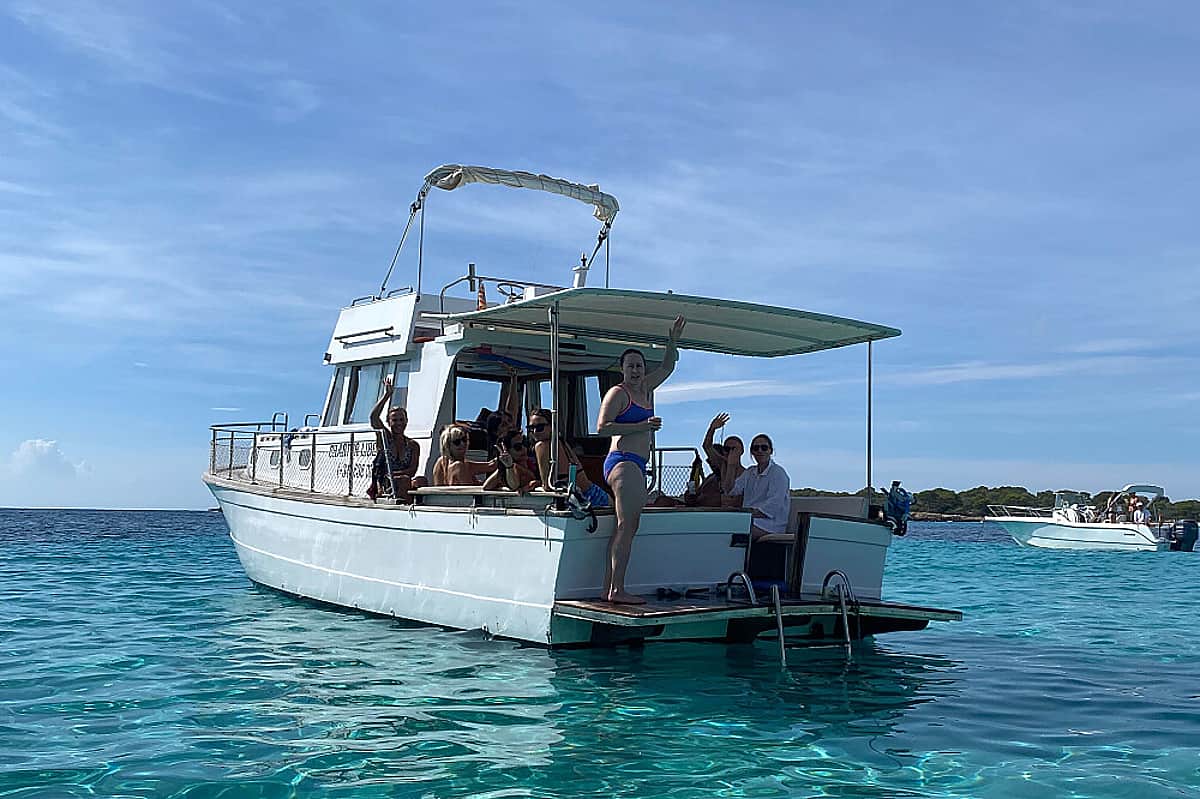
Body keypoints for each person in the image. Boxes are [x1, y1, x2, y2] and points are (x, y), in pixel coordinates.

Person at [596, 315, 686, 604]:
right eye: (630, 365)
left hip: (635, 464)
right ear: (621, 369)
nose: (635, 369)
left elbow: (668, 365)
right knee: (628, 526)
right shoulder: (618, 393)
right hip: (622, 462)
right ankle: (617, 590)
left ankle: (609, 588)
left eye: (638, 365)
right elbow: (602, 427)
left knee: (625, 526)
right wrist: (643, 426)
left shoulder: (645, 388)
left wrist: (672, 341)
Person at [527, 408, 610, 507]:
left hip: (582, 500)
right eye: (531, 428)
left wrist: (534, 486)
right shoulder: (561, 442)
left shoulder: (541, 446)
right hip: (597, 493)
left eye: (540, 427)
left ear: (551, 426)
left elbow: (547, 486)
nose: (535, 432)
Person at [722, 433, 791, 541]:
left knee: (731, 528)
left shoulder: (778, 473)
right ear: (752, 452)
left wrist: (746, 515)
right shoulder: (750, 472)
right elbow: (730, 490)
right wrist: (731, 465)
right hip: (749, 520)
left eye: (764, 448)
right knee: (721, 525)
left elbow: (772, 507)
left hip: (771, 525)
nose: (760, 451)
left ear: (770, 451)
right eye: (756, 448)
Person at [367, 376, 425, 501]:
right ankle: (402, 508)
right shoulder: (385, 438)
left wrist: (396, 475)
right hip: (384, 482)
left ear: (406, 421)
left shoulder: (413, 445)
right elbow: (373, 418)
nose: (398, 423)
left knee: (421, 480)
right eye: (394, 420)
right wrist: (387, 395)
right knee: (405, 480)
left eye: (401, 419)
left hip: (401, 479)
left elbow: (412, 470)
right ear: (388, 422)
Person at [692, 413, 744, 507]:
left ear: (741, 451)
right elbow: (707, 446)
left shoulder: (747, 473)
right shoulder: (722, 464)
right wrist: (712, 428)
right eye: (727, 449)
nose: (730, 452)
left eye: (734, 449)